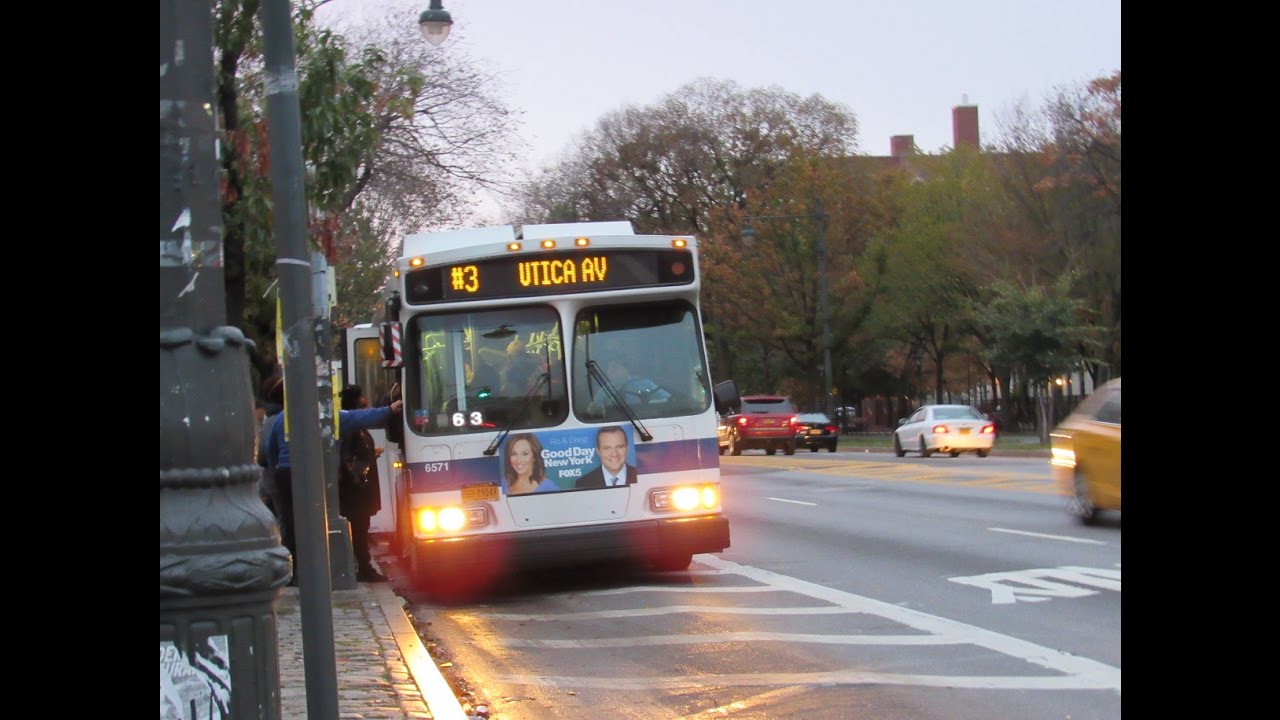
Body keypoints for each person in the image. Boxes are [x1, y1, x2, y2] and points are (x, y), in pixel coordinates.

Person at [264, 392, 404, 584]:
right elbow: (360, 417)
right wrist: (389, 410)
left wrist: (277, 470)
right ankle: (315, 570)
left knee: (291, 523)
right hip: (313, 472)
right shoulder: (324, 415)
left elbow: (270, 449)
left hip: (286, 473)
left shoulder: (282, 417)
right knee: (315, 522)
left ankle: (294, 572)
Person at [339, 385, 386, 582]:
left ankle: (363, 566)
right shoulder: (351, 426)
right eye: (361, 397)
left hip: (360, 488)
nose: (365, 400)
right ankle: (364, 568)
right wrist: (358, 478)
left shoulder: (355, 425)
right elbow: (347, 457)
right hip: (356, 490)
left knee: (361, 528)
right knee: (359, 529)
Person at [256, 376, 285, 514]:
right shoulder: (277, 419)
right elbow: (262, 455)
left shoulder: (272, 419)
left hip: (274, 481)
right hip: (278, 482)